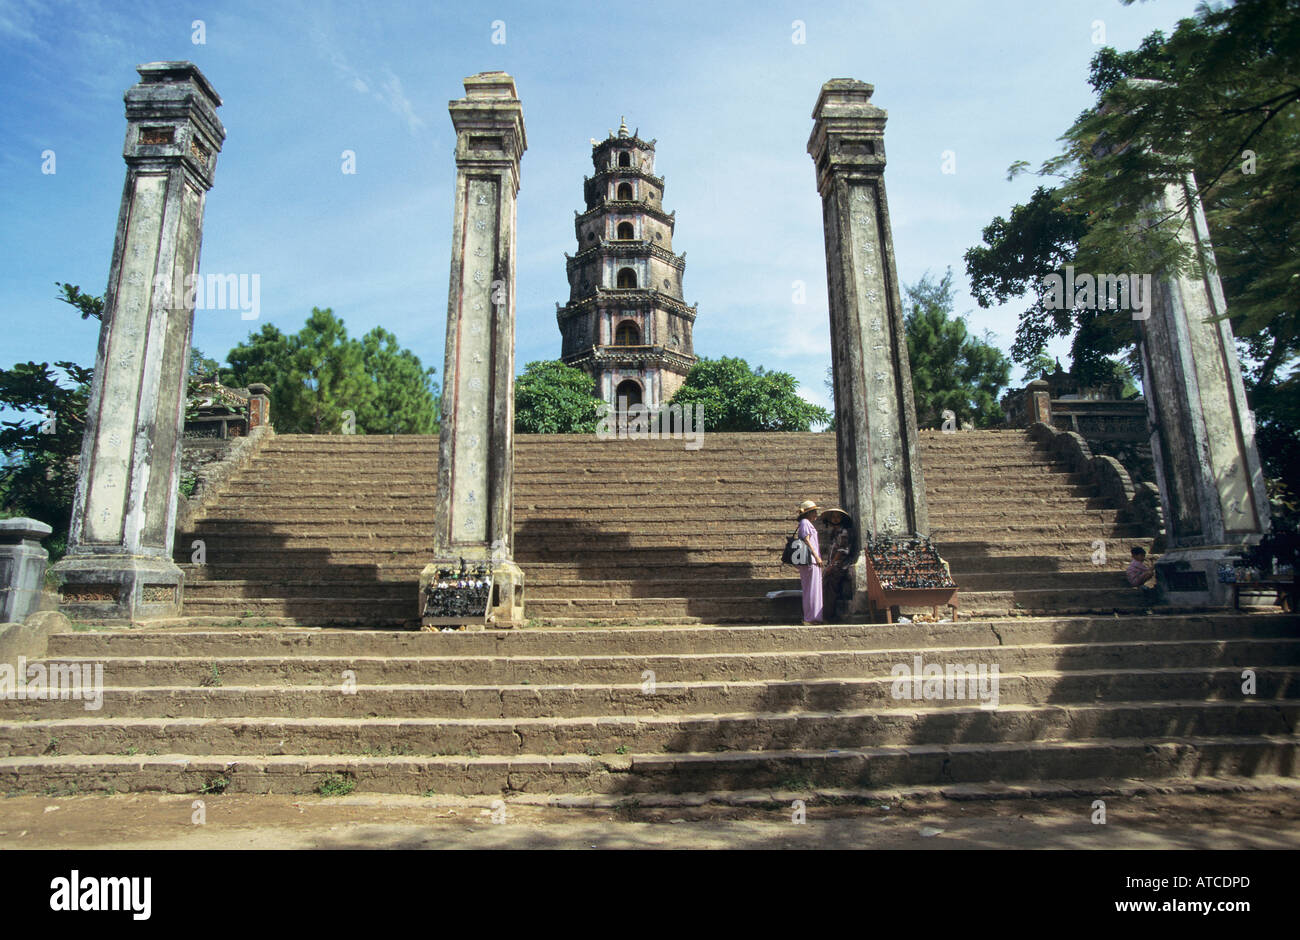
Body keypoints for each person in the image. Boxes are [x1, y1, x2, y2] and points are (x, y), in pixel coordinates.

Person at [820, 507, 857, 620]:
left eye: (837, 517)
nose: (835, 519)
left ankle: (827, 615)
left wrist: (832, 566)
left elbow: (842, 551)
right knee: (825, 586)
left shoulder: (843, 532)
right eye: (833, 517)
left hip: (841, 565)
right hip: (833, 564)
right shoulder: (833, 532)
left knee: (829, 587)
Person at [794, 500, 824, 624]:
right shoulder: (805, 522)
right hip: (810, 560)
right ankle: (811, 617)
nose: (816, 515)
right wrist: (816, 556)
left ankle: (815, 617)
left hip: (812, 561)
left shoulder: (806, 523)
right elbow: (807, 540)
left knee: (814, 589)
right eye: (814, 512)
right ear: (808, 513)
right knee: (811, 589)